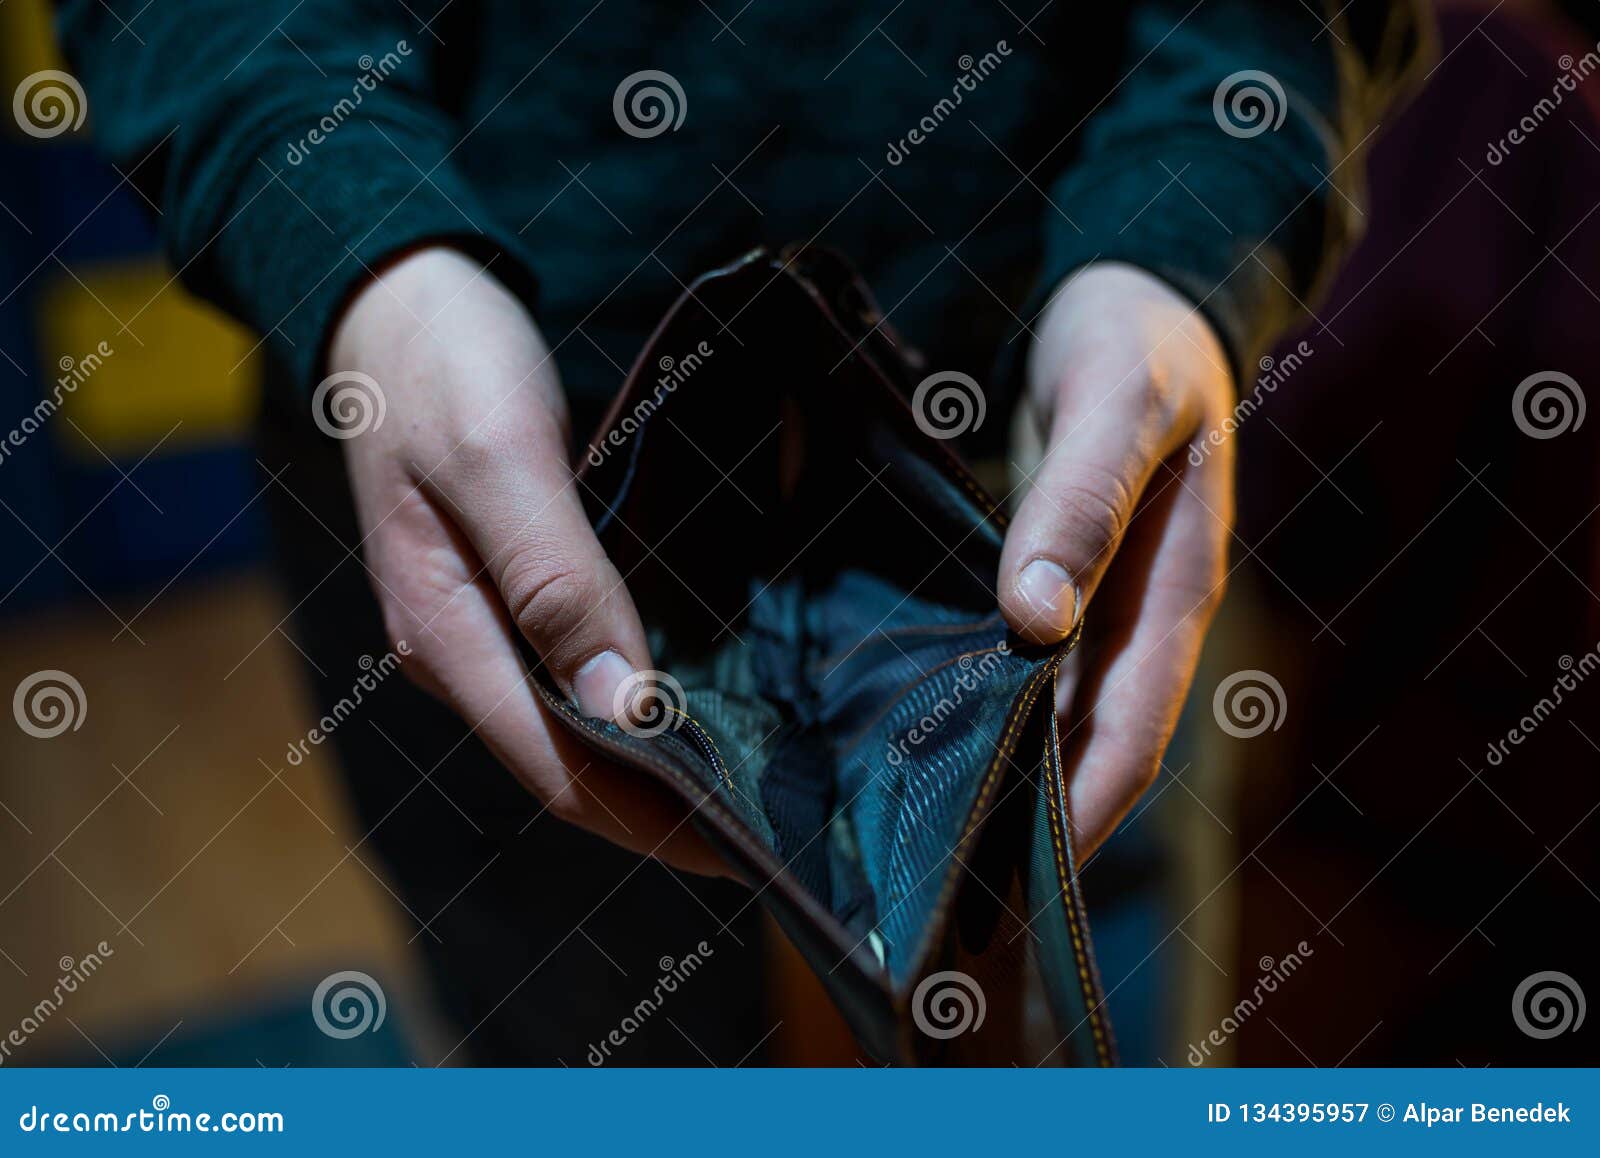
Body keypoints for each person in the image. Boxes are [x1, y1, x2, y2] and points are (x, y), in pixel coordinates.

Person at [58, 0, 1424, 1063]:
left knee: (1100, 992)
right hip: (481, 440)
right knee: (592, 1038)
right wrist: (366, 265)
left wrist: (1179, 238)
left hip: (1050, 414)